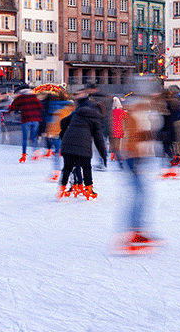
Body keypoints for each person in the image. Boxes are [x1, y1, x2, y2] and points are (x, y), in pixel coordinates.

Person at [116, 77, 163, 252]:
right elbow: (133, 136)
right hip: (134, 158)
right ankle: (132, 232)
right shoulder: (138, 110)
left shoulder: (143, 109)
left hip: (139, 156)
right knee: (138, 196)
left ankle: (136, 230)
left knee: (140, 195)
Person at [57, 91, 105, 200]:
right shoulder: (96, 118)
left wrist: (63, 133)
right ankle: (88, 188)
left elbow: (63, 121)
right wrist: (103, 154)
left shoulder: (77, 112)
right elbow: (99, 139)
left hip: (68, 142)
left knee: (68, 166)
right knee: (86, 166)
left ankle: (63, 187)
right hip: (84, 144)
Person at [9, 86, 43, 163]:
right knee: (34, 137)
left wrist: (13, 111)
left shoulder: (21, 97)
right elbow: (40, 107)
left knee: (24, 138)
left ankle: (24, 155)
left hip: (26, 119)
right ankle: (36, 152)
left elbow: (13, 107)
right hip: (36, 119)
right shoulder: (34, 97)